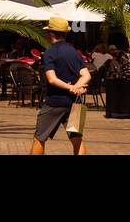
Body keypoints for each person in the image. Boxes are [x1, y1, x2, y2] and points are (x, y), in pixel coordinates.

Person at [31, 17, 90, 155]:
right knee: (77, 139)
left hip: (55, 103)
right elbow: (87, 75)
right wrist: (76, 87)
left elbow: (52, 79)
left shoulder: (49, 53)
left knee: (39, 138)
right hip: (75, 103)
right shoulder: (74, 52)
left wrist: (71, 87)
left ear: (50, 34)